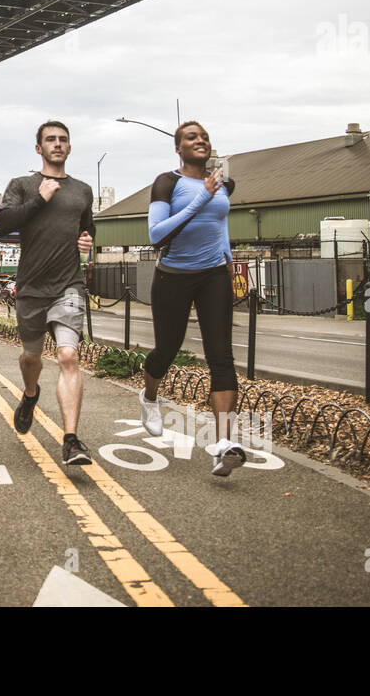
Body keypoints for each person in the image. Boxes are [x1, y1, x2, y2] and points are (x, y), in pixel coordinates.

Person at [140, 120, 247, 476]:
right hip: (173, 277)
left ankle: (224, 444)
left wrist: (228, 260)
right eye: (191, 137)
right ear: (178, 148)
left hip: (213, 275)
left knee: (221, 355)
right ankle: (150, 396)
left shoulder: (223, 184)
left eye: (203, 136)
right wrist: (202, 196)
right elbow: (157, 233)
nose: (200, 141)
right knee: (166, 350)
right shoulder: (167, 182)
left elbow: (221, 224)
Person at [0, 121, 96, 466]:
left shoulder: (83, 191)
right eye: (50, 140)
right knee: (31, 357)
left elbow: (88, 229)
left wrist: (87, 241)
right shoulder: (23, 185)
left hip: (69, 284)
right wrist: (41, 198)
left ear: (69, 147)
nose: (57, 144)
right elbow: (4, 223)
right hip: (31, 288)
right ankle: (30, 393)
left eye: (63, 140)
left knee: (68, 356)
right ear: (39, 148)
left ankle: (71, 440)